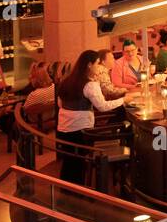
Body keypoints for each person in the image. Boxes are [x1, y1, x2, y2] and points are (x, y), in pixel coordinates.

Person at [55, 50, 135, 181]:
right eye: (98, 63)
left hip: (63, 129)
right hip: (82, 132)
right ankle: (78, 189)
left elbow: (60, 104)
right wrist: (123, 100)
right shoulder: (90, 85)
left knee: (69, 161)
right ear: (89, 65)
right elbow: (102, 107)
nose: (99, 67)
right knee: (78, 162)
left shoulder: (66, 81)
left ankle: (67, 189)